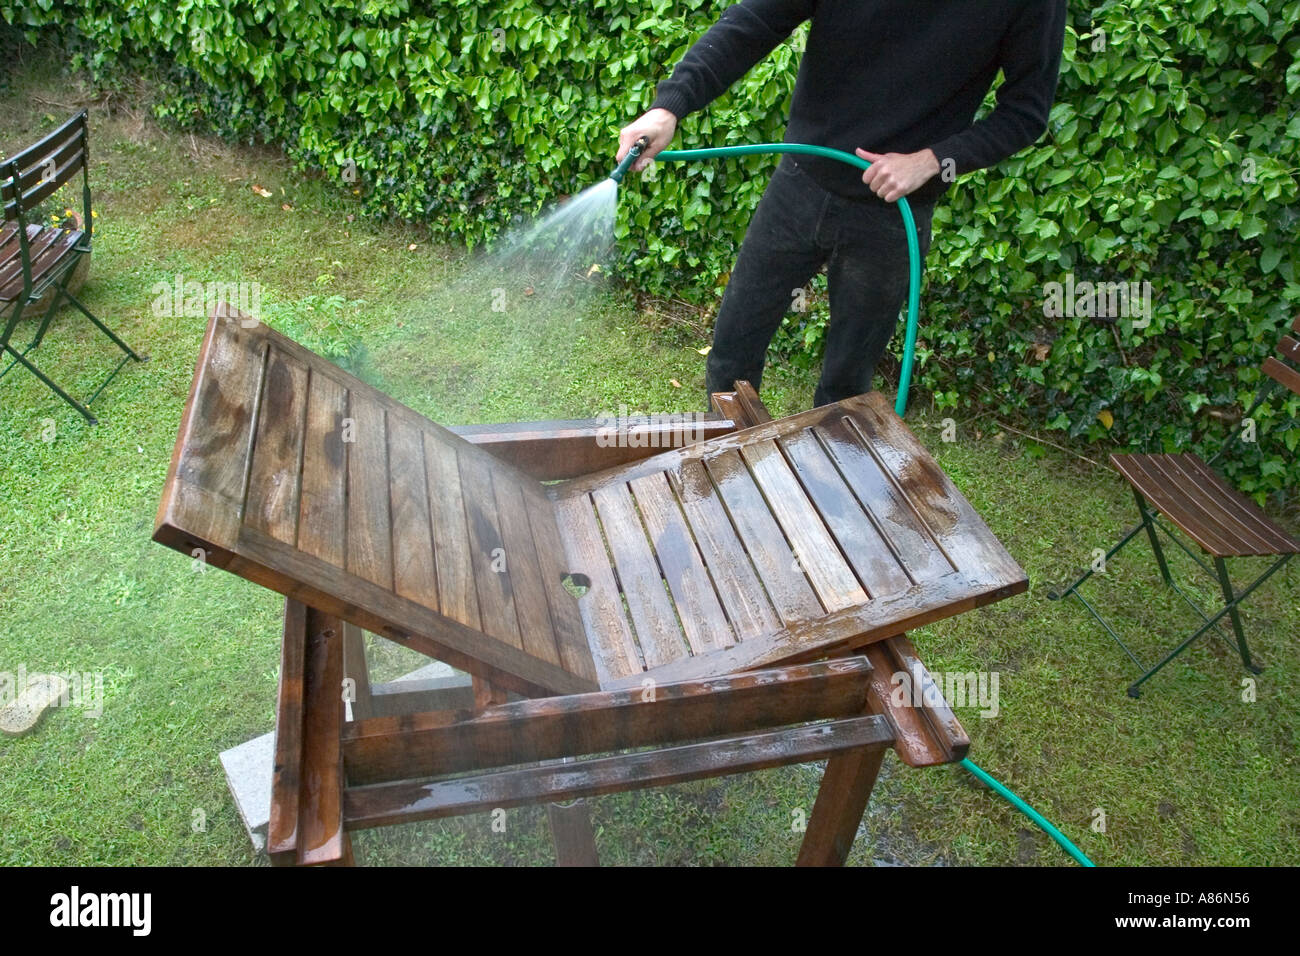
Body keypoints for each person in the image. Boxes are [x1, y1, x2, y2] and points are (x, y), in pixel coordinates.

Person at [618, 0, 1068, 407]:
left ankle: (828, 493)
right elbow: (753, 21)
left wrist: (932, 161)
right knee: (731, 354)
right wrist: (670, 106)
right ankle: (735, 477)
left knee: (846, 388)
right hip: (799, 184)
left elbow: (1025, 111)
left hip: (893, 214)